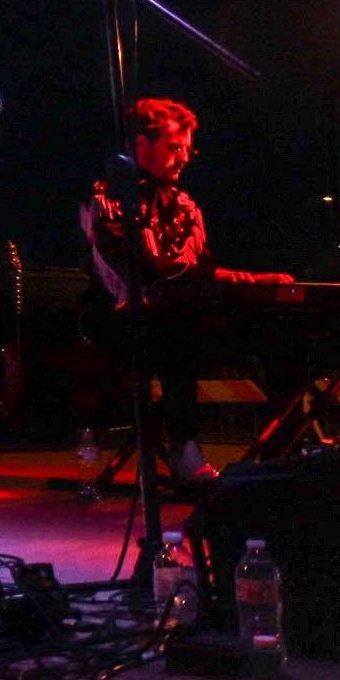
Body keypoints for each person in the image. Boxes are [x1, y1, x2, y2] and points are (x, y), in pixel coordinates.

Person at [80, 97, 290, 488]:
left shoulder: (186, 203)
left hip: (181, 315)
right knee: (176, 330)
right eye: (175, 147)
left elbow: (203, 271)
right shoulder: (107, 197)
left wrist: (252, 284)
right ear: (141, 144)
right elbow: (144, 270)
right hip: (122, 316)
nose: (185, 157)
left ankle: (286, 448)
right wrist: (241, 280)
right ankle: (185, 449)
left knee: (281, 329)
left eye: (188, 149)